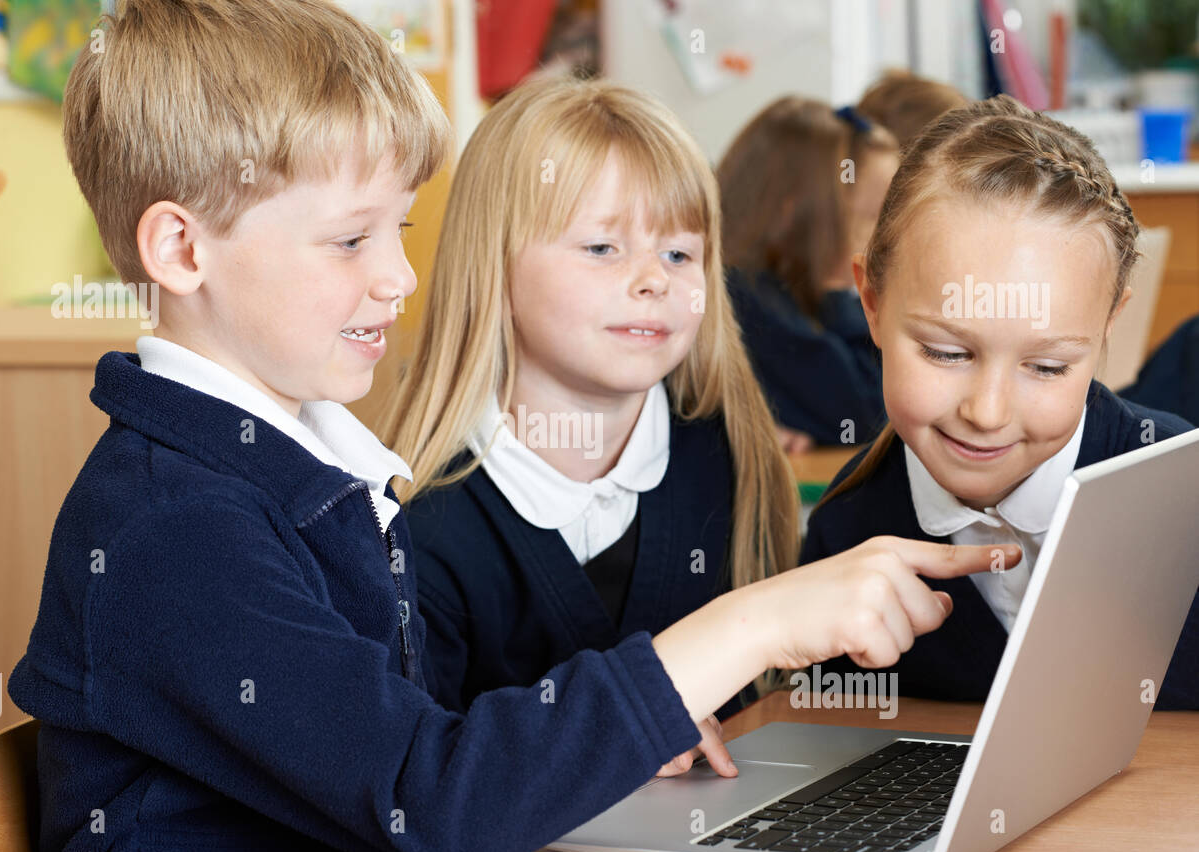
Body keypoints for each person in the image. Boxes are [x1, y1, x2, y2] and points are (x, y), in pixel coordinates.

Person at [8, 0, 1017, 852]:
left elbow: (416, 750)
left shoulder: (296, 473)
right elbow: (430, 798)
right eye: (350, 239)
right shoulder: (175, 528)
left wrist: (605, 739)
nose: (399, 278)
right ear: (182, 248)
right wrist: (751, 624)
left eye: (397, 232)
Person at [382, 76, 796, 728]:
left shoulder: (724, 450)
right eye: (602, 247)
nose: (654, 278)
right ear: (494, 266)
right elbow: (427, 783)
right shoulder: (423, 523)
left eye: (679, 252)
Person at [801, 95, 1199, 710]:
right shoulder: (844, 530)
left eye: (1046, 366)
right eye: (945, 353)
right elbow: (833, 729)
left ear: (1107, 327)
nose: (986, 413)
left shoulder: (1182, 496)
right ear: (872, 303)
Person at [718, 97, 898, 448]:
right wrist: (841, 296)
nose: (888, 236)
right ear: (790, 214)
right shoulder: (747, 297)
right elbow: (874, 413)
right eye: (871, 217)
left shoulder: (786, 294)